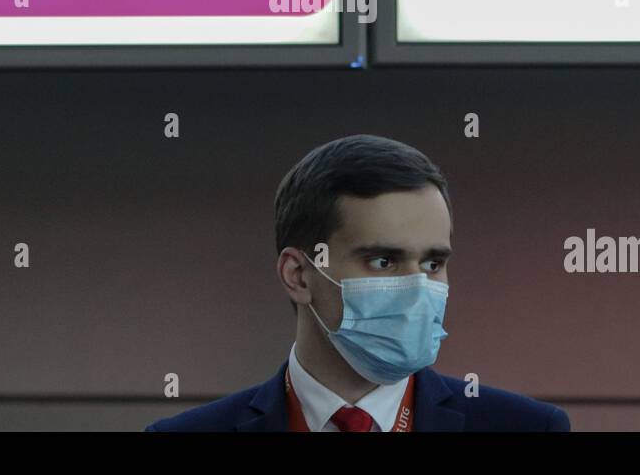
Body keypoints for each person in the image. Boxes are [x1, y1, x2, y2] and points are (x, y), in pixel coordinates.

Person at [145, 134, 570, 432]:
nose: (417, 287)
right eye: (384, 260)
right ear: (298, 275)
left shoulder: (525, 426)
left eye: (433, 261)